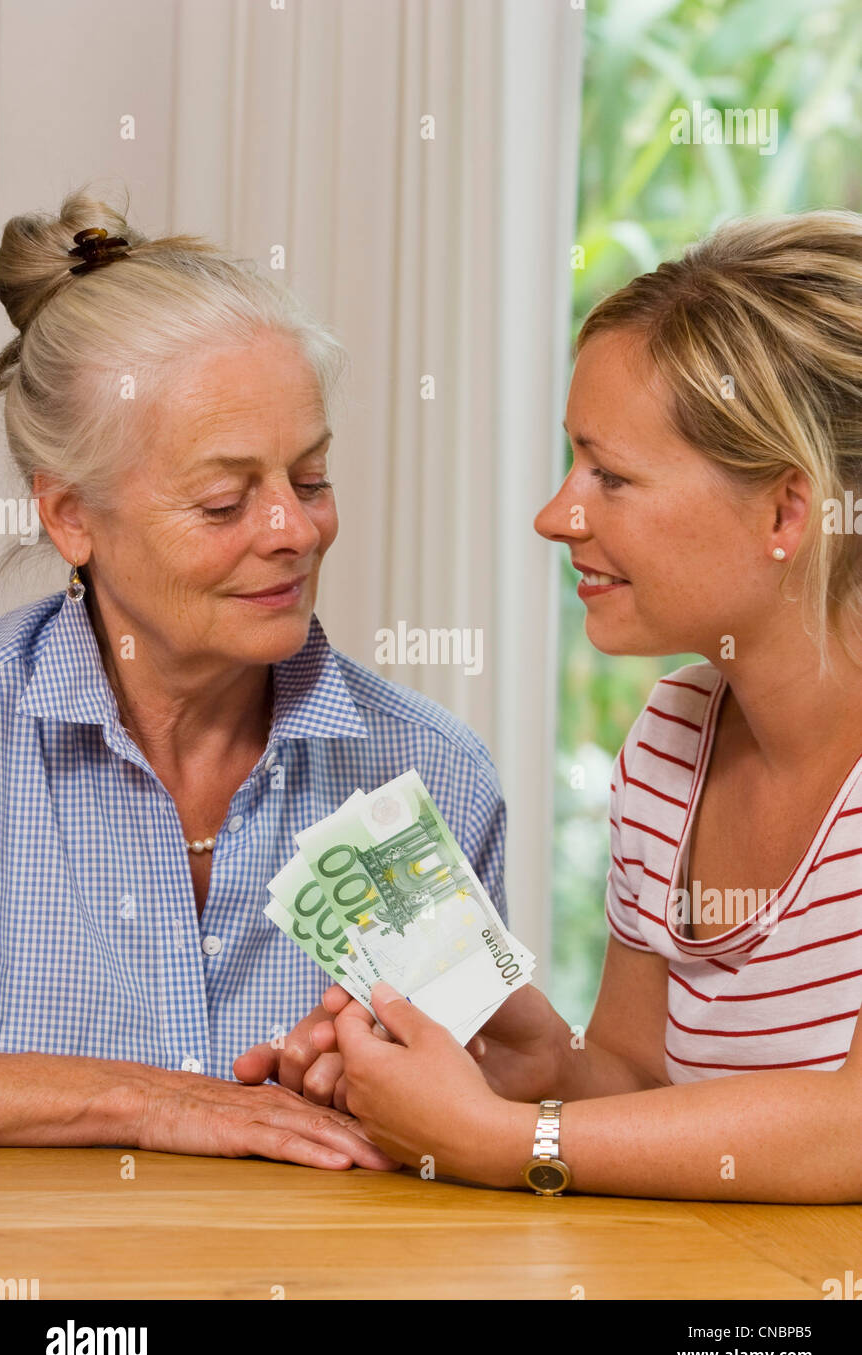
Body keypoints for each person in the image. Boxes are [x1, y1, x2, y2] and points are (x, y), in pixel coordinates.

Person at [312, 210, 862, 1203]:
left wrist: (501, 1139)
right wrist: (545, 1064)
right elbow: (643, 1086)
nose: (554, 516)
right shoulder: (670, 744)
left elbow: (850, 1127)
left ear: (787, 510)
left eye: (609, 474)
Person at [0, 185, 507, 1170]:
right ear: (70, 517)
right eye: (224, 501)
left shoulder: (431, 772)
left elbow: (466, 1134)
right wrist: (144, 1100)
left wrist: (442, 1093)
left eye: (310, 479)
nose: (294, 531)